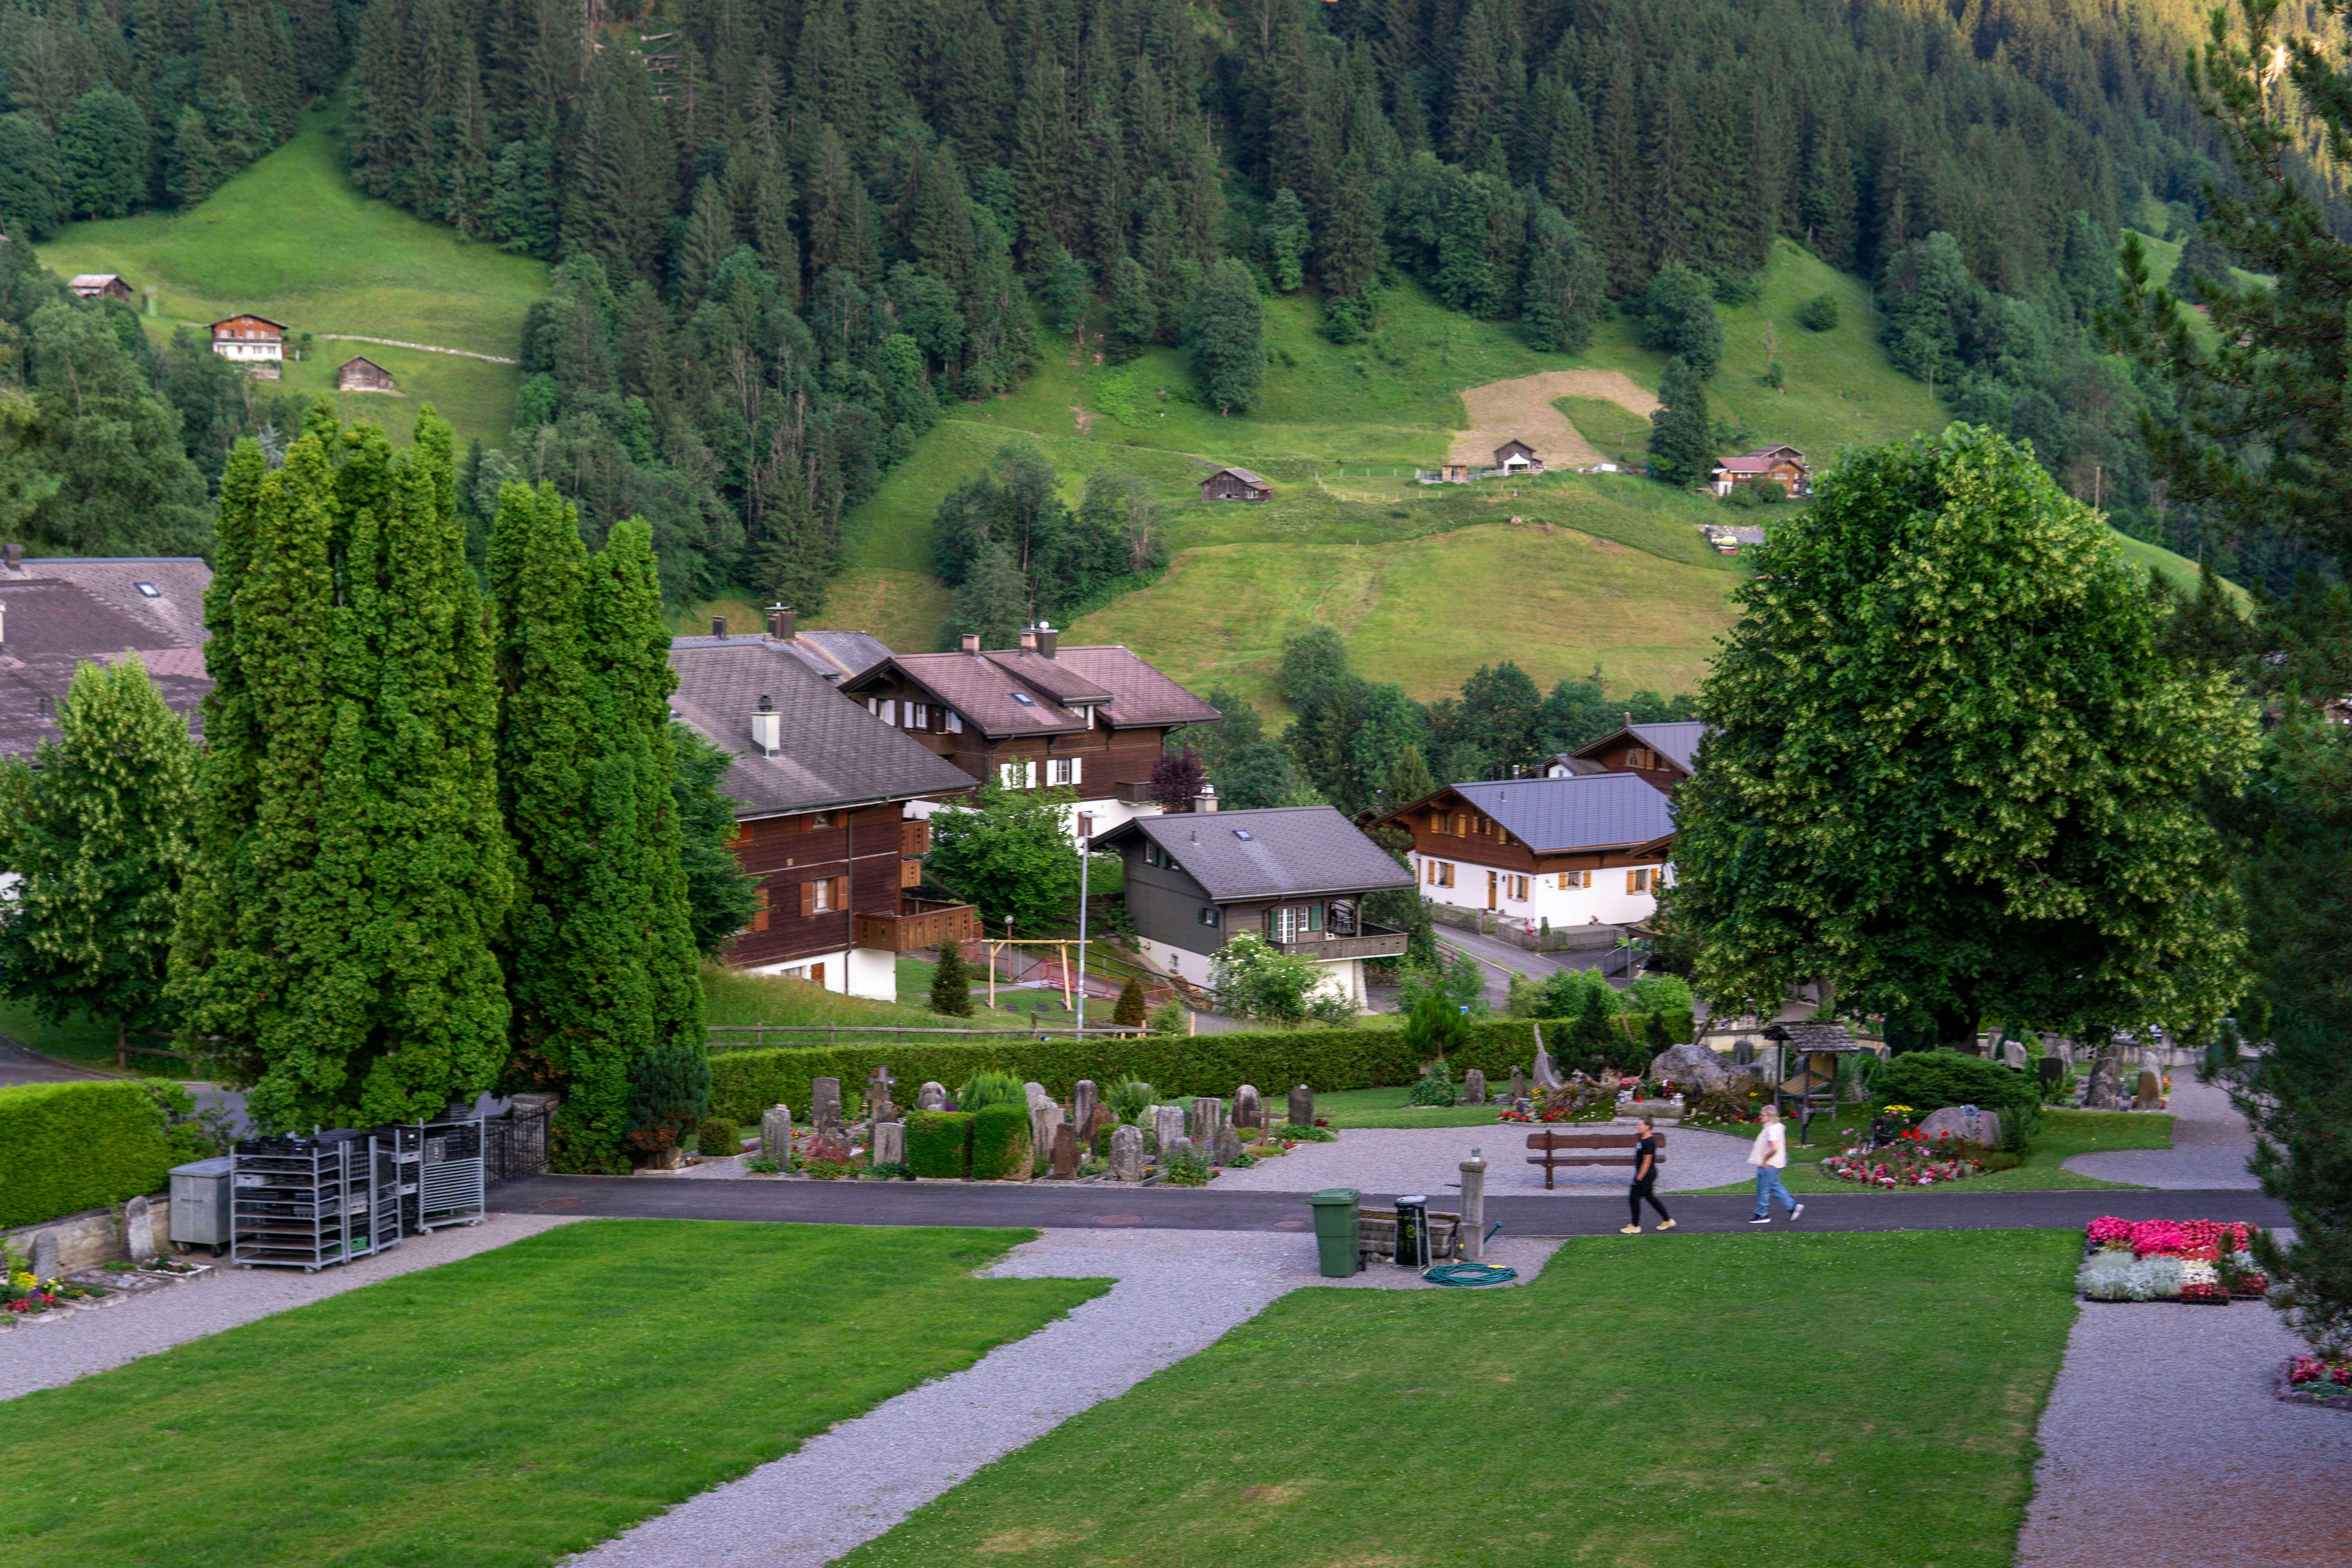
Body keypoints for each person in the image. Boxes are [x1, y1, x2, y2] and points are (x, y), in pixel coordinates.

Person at [1747, 1104, 1803, 1224]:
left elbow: (1774, 1148)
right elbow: (1784, 1128)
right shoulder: (1778, 1126)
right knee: (1775, 1187)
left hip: (1769, 1165)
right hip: (1778, 1163)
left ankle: (1762, 1215)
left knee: (1763, 1189)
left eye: (1763, 1115)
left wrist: (1766, 1159)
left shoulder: (1772, 1130)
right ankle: (1793, 1207)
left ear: (1770, 1116)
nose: (1760, 1117)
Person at [1619, 1113, 1675, 1234]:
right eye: (1638, 1125)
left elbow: (1647, 1161)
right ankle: (1667, 1220)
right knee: (1649, 1196)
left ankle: (1635, 1226)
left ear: (1648, 1127)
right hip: (1646, 1173)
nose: (1638, 1127)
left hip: (1646, 1174)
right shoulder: (1643, 1139)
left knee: (1634, 1197)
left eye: (1640, 1125)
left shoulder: (1649, 1142)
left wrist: (1639, 1177)